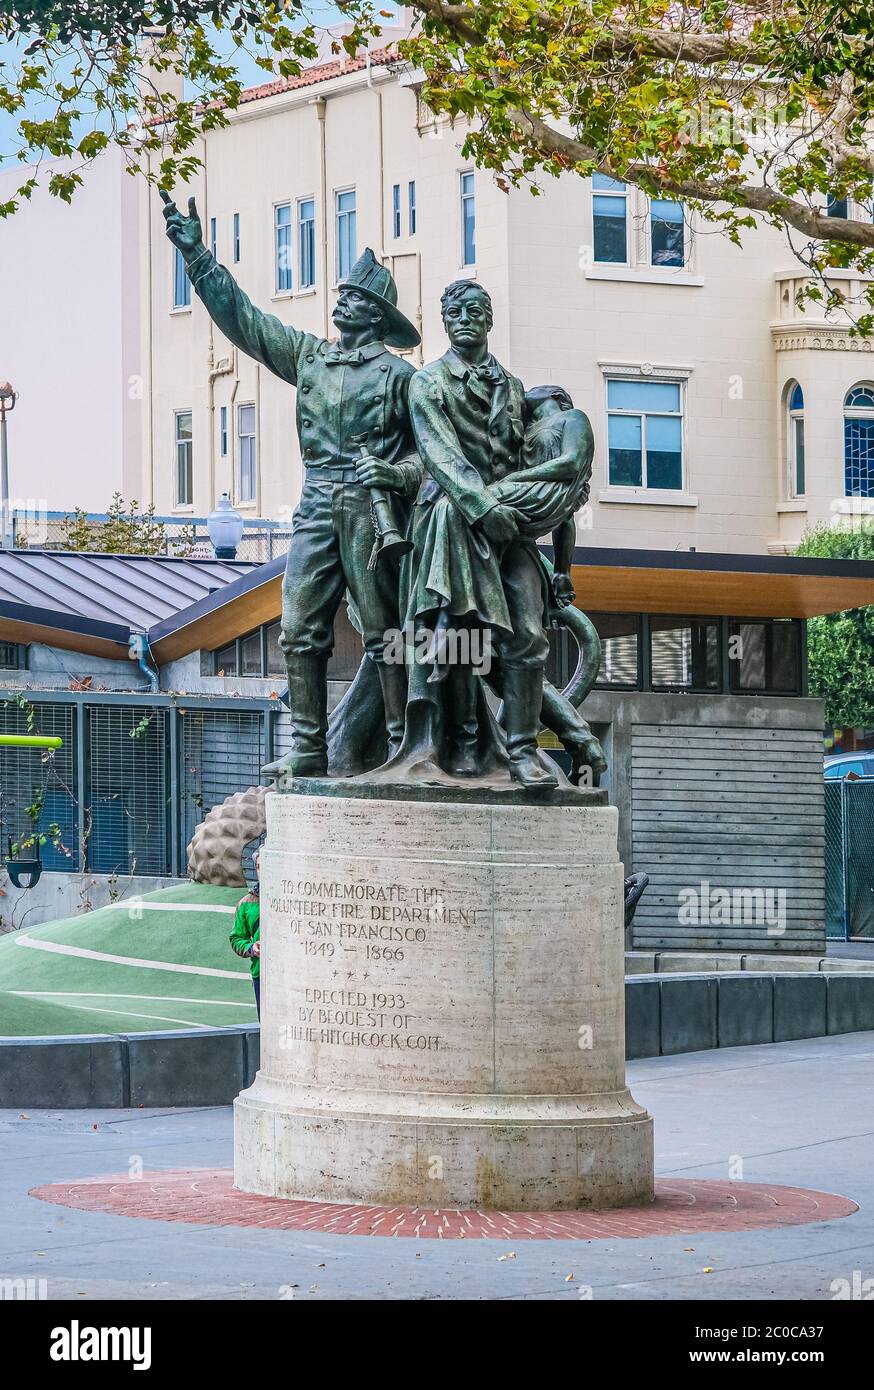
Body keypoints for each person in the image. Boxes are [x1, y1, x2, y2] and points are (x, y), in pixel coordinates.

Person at [160, 189, 421, 777]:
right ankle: (308, 746)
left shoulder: (405, 378)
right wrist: (198, 257)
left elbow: (432, 456)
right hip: (316, 504)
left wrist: (396, 473)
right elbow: (246, 322)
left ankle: (404, 742)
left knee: (383, 630)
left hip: (372, 508)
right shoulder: (310, 359)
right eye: (343, 294)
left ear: (375, 314)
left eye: (353, 297)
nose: (341, 301)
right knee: (300, 626)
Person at [230, 850, 261, 1020]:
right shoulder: (246, 903)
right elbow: (236, 938)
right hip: (260, 971)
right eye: (259, 866)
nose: (262, 870)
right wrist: (251, 948)